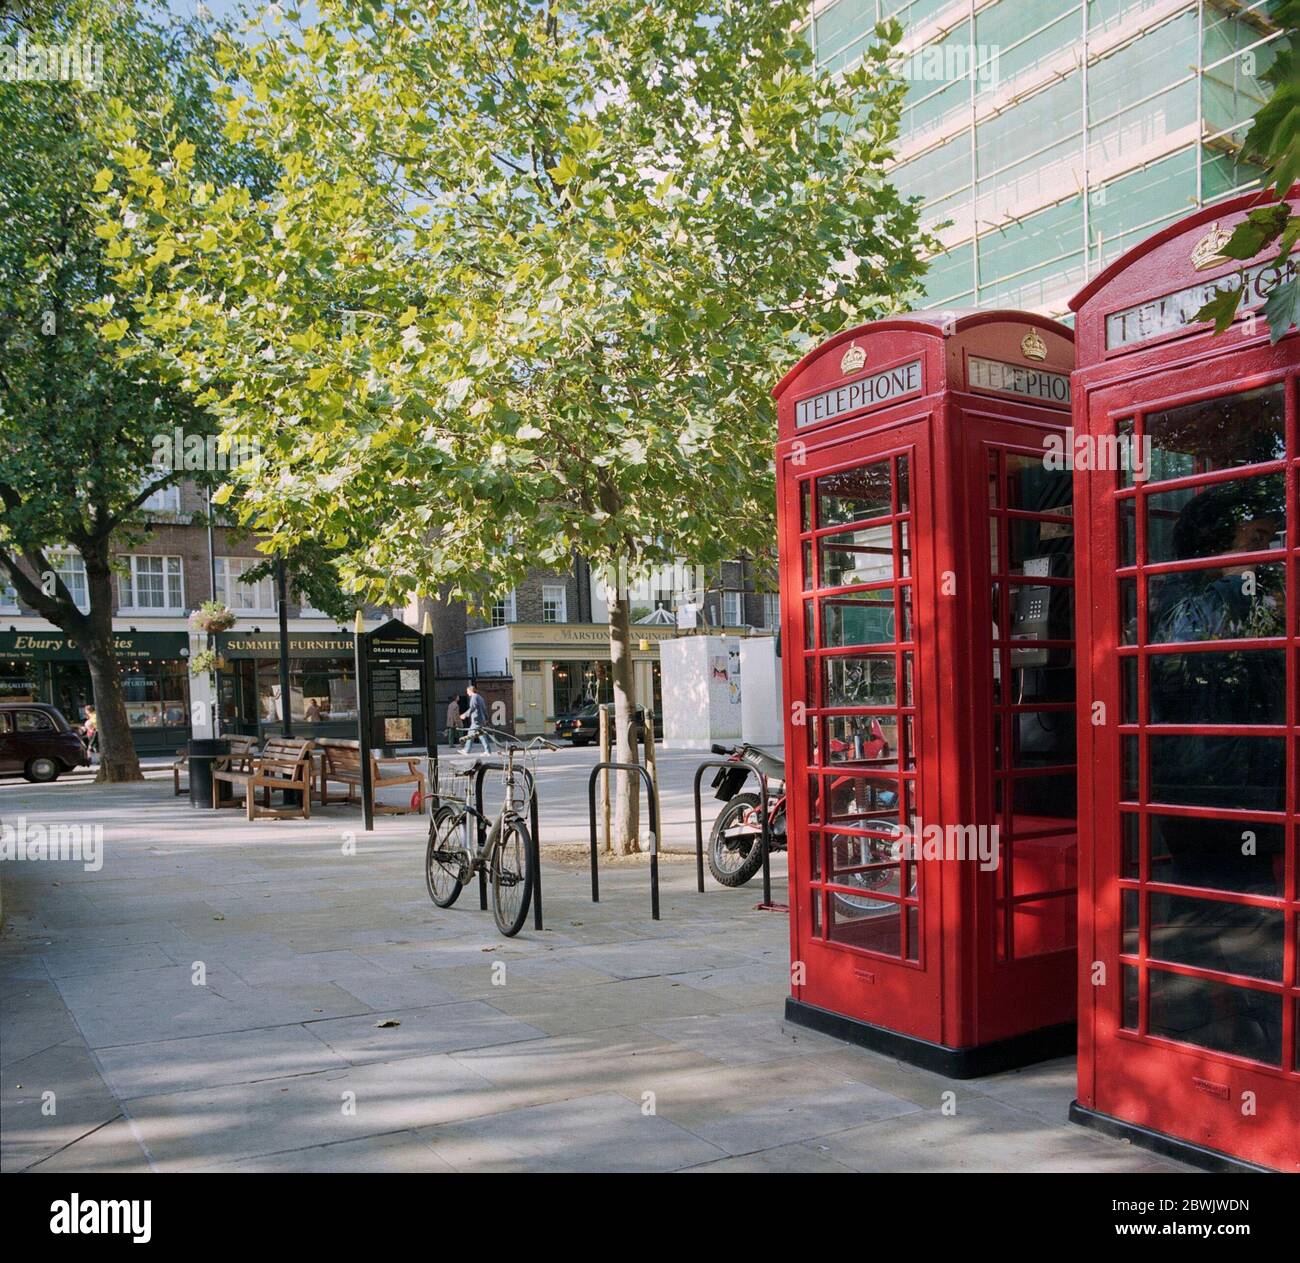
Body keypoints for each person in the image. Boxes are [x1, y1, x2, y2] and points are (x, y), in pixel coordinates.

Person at [460, 683, 491, 754]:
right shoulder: (480, 697)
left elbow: (472, 708)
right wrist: (486, 719)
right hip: (481, 720)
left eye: (467, 691)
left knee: (470, 734)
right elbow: (484, 709)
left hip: (476, 720)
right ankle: (488, 751)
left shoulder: (474, 697)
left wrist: (465, 715)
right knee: (482, 735)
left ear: (471, 691)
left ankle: (466, 750)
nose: (467, 693)